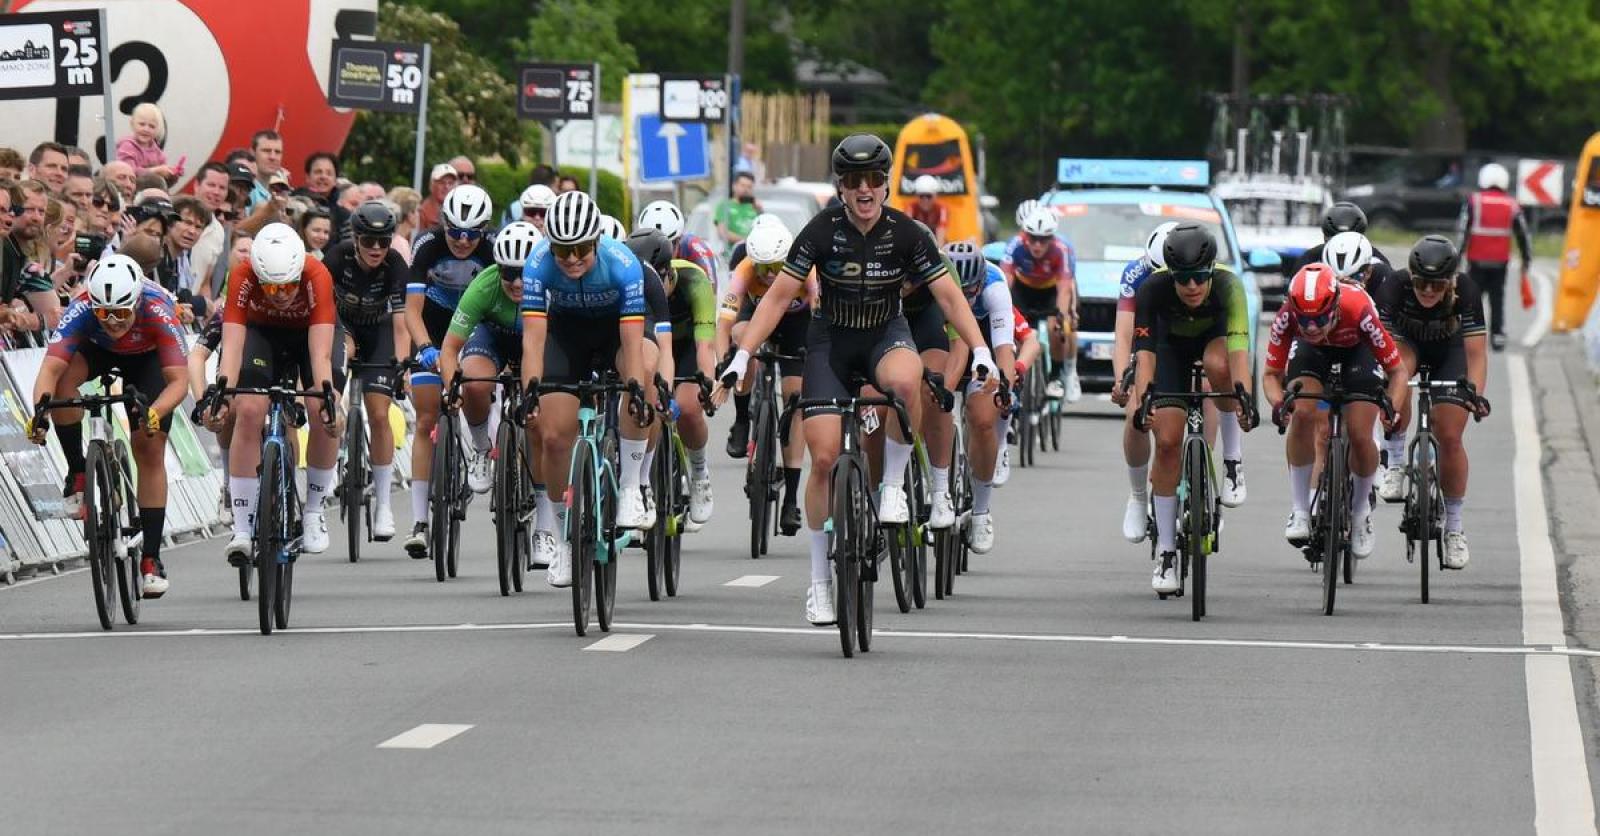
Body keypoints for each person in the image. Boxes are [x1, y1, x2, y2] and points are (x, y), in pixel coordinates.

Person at [714, 133, 996, 627]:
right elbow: (777, 299)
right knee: (823, 458)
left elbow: (951, 298)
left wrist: (981, 350)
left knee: (907, 382)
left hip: (886, 335)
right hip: (831, 344)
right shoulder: (819, 231)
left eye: (873, 179)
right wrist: (741, 356)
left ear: (885, 184)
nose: (864, 189)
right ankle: (820, 583)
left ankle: (893, 487)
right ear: (840, 187)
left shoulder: (907, 233)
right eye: (853, 180)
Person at [28, 255, 190, 597]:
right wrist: (40, 413)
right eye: (104, 313)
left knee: (149, 448)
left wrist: (155, 412)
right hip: (97, 351)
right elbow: (49, 369)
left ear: (136, 302)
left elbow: (179, 382)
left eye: (121, 313)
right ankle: (78, 471)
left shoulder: (158, 310)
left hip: (147, 358)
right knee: (62, 386)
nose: (113, 321)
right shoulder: (82, 308)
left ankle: (151, 560)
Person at [520, 190, 654, 587]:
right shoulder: (537, 264)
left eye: (581, 249)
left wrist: (635, 389)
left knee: (642, 374)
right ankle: (564, 538)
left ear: (596, 241)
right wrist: (530, 392)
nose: (572, 258)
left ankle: (630, 487)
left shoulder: (623, 264)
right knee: (553, 437)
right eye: (563, 250)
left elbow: (631, 343)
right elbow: (533, 341)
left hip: (615, 332)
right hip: (567, 337)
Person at [1128, 224, 1256, 592]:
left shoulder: (1230, 286)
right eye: (1183, 278)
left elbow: (1238, 354)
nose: (1192, 286)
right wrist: (1144, 400)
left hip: (1215, 340)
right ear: (1170, 274)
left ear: (1212, 270)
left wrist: (1245, 397)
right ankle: (1167, 551)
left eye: (1200, 276)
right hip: (1169, 349)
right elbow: (1146, 356)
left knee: (1219, 366)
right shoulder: (1152, 289)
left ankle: (1231, 459)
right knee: (1168, 442)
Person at [214, 223, 341, 561]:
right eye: (271, 288)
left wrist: (327, 399)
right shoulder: (242, 275)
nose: (281, 294)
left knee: (321, 410)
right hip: (261, 334)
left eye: (288, 286)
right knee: (248, 409)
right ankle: (242, 528)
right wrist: (223, 395)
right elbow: (231, 348)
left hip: (309, 335)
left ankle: (313, 512)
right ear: (258, 276)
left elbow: (321, 356)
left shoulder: (317, 274)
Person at [1263, 263, 1408, 559]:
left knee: (1359, 432)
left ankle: (1360, 513)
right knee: (1303, 412)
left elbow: (1398, 371)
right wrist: (1279, 404)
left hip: (1358, 351)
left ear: (1336, 305)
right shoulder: (1288, 315)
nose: (1311, 327)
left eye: (1319, 318)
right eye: (1304, 319)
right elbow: (1271, 375)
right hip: (1312, 353)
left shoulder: (1359, 309)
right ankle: (1300, 510)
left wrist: (1391, 406)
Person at [1371, 235, 1490, 569]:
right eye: (1420, 282)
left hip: (1449, 354)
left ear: (1451, 281)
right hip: (1406, 346)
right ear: (1410, 276)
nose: (1427, 291)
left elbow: (1476, 355)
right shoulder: (1394, 287)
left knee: (1450, 435)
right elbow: (1382, 349)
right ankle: (1395, 461)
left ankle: (1454, 528)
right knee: (1399, 379)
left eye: (1436, 285)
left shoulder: (1467, 291)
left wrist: (1474, 394)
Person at [403, 183, 495, 557]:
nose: (462, 240)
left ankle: (480, 444)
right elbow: (411, 310)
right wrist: (425, 347)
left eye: (472, 234)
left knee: (475, 384)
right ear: (443, 224)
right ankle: (419, 522)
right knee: (426, 418)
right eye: (454, 231)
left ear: (484, 230)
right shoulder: (427, 245)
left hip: (476, 325)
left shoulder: (493, 249)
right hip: (435, 323)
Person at [438, 220, 543, 528]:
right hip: (492, 339)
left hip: (536, 343)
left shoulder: (550, 285)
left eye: (524, 273)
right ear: (498, 269)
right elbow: (449, 349)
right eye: (509, 273)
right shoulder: (484, 285)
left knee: (544, 413)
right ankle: (482, 448)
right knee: (474, 382)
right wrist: (452, 388)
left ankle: (544, 498)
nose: (518, 282)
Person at [715, 218, 816, 534]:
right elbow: (725, 322)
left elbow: (819, 312)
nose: (771, 275)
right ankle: (742, 419)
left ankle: (791, 500)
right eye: (763, 268)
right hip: (757, 317)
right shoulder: (745, 269)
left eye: (777, 267)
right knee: (742, 341)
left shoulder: (807, 268)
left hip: (797, 324)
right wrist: (724, 362)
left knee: (795, 397)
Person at [322, 201, 415, 540]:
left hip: (380, 332)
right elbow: (320, 311)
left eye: (384, 241)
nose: (376, 248)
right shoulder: (337, 257)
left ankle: (384, 505)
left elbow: (402, 324)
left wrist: (403, 366)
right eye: (368, 241)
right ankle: (329, 464)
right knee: (332, 385)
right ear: (356, 239)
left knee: (379, 413)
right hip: (342, 327)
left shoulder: (395, 264)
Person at [626, 228, 719, 524]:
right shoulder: (634, 282)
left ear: (668, 272)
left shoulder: (694, 280)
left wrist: (706, 383)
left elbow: (705, 346)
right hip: (653, 342)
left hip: (688, 345)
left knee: (689, 408)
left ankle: (699, 473)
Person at [941, 241, 1017, 552]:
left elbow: (1004, 347)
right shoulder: (934, 277)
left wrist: (1005, 389)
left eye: (970, 291)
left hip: (983, 345)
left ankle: (981, 511)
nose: (966, 298)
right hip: (944, 339)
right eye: (959, 292)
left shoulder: (995, 285)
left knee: (985, 418)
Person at [1112, 221, 1177, 541]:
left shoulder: (1199, 273)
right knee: (1136, 415)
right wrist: (1121, 381)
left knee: (1207, 393)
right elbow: (1124, 336)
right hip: (1149, 340)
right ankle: (1138, 496)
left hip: (1187, 339)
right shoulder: (1135, 273)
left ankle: (1209, 482)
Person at [1002, 206, 1079, 402]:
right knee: (1013, 329)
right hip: (1023, 289)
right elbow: (1005, 282)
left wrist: (1061, 315)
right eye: (1033, 238)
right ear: (1025, 235)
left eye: (1043, 240)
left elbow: (1064, 289)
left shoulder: (1062, 249)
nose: (1037, 245)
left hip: (1050, 290)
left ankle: (1056, 377)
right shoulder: (1014, 245)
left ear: (1051, 238)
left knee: (1057, 327)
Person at [1456, 163, 1531, 352]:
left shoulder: (1474, 201)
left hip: (1476, 259)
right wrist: (1526, 258)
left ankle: (1467, 333)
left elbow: (1463, 230)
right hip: (1500, 261)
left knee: (1472, 297)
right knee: (1497, 298)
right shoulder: (1512, 204)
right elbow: (1523, 233)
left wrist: (1457, 256)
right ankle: (1497, 334)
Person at [636, 199, 721, 301]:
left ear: (679, 239)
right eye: (653, 246)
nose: (661, 253)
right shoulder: (635, 247)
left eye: (669, 245)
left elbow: (711, 293)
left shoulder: (695, 247)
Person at [116, 102, 180, 183]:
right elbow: (129, 172)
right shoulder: (127, 147)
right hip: (131, 188)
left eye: (152, 126)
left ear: (157, 130)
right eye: (142, 124)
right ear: (132, 124)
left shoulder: (156, 151)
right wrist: (155, 171)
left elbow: (163, 172)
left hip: (153, 188)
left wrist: (172, 173)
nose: (146, 129)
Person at [715, 172, 763, 259]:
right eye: (743, 185)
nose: (746, 189)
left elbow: (764, 229)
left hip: (753, 257)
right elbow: (722, 233)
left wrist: (760, 210)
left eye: (749, 187)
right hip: (732, 256)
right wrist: (746, 241)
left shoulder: (755, 206)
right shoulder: (725, 206)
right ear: (734, 186)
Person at [246, 130, 286, 211]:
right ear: (252, 153)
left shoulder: (278, 194)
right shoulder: (246, 190)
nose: (272, 157)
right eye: (266, 151)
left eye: (277, 152)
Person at [907, 175, 949, 245]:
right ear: (916, 196)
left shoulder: (941, 209)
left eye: (929, 196)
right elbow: (908, 231)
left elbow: (941, 233)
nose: (925, 200)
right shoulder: (911, 208)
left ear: (935, 196)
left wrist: (938, 249)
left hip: (935, 242)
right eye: (921, 196)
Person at [417, 163, 456, 231]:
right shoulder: (421, 213)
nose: (446, 187)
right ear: (431, 185)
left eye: (450, 183)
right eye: (442, 182)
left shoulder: (457, 211)